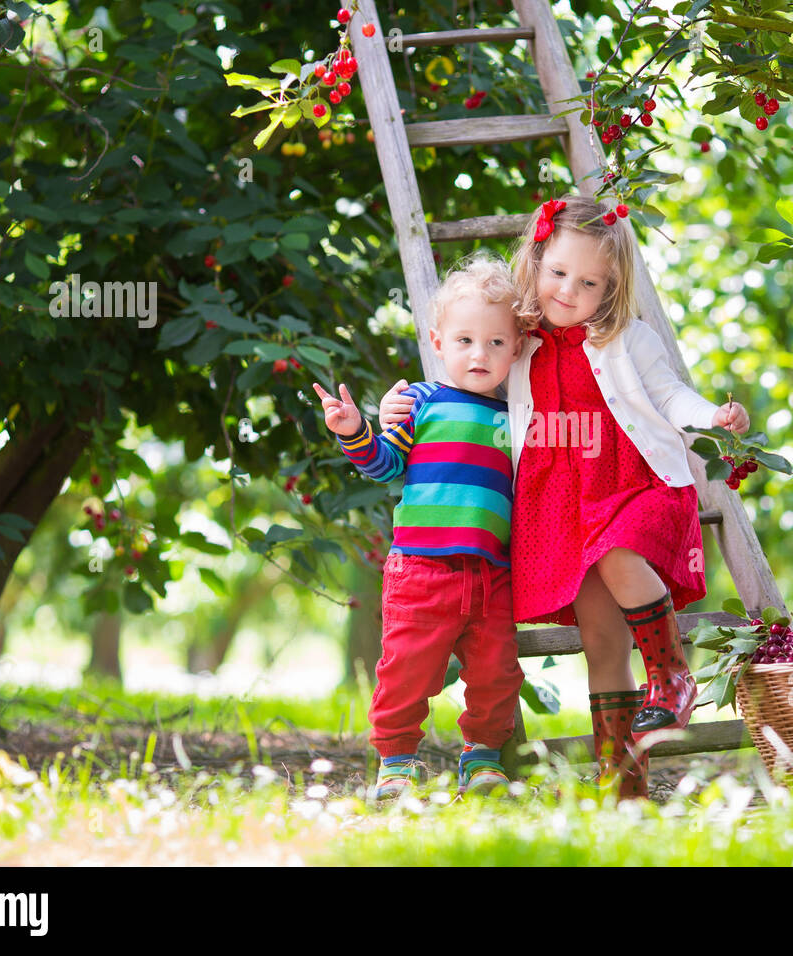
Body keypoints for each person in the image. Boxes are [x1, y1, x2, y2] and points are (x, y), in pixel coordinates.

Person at [378, 196, 749, 798]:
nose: (568, 291)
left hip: (631, 487)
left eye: (588, 282)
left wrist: (713, 416)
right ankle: (624, 788)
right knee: (603, 645)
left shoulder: (629, 339)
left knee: (620, 554)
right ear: (536, 259)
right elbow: (465, 376)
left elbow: (671, 395)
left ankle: (673, 672)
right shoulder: (520, 343)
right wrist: (400, 404)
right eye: (557, 274)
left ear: (611, 287)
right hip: (563, 506)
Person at [313, 252, 530, 800]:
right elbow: (384, 465)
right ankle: (396, 761)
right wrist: (354, 429)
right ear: (438, 344)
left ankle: (482, 759)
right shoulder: (421, 402)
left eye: (496, 343)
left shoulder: (517, 417)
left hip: (491, 574)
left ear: (517, 348)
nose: (479, 354)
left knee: (498, 674)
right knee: (406, 671)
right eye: (464, 342)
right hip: (421, 571)